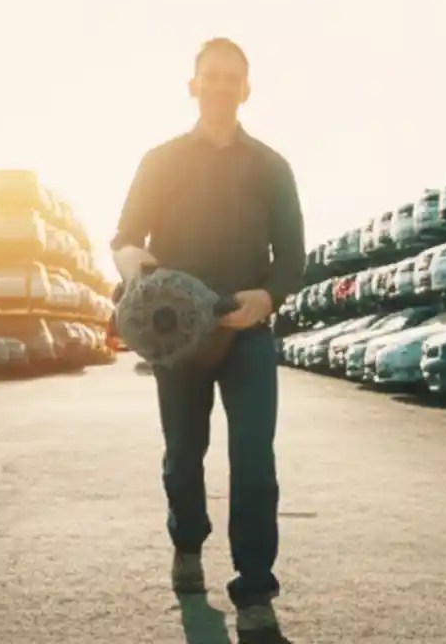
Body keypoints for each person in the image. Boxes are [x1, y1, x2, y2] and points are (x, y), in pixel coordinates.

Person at [110, 37, 304, 644]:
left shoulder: (271, 166)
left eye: (232, 78)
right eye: (210, 76)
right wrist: (131, 262)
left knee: (253, 459)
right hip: (179, 337)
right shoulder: (160, 160)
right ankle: (187, 542)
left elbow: (293, 255)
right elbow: (122, 237)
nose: (221, 85)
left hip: (246, 333)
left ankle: (254, 591)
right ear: (193, 85)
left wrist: (266, 298)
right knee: (183, 453)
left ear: (246, 89)